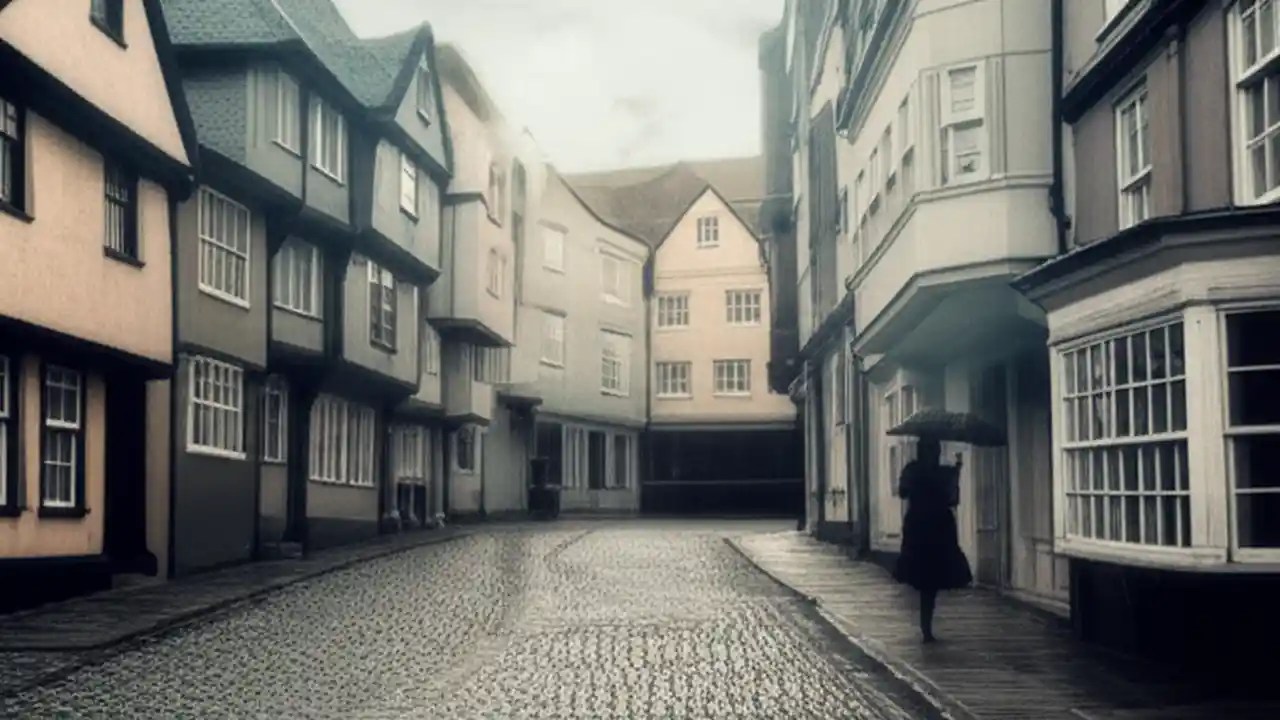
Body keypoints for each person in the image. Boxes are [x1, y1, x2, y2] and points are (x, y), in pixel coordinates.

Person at [894, 437, 972, 642]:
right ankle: (925, 626)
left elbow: (904, 493)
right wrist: (953, 477)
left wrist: (955, 477)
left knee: (929, 580)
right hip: (930, 526)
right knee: (927, 580)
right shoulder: (937, 473)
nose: (934, 455)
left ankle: (926, 625)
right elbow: (951, 500)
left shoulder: (920, 471)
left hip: (929, 526)